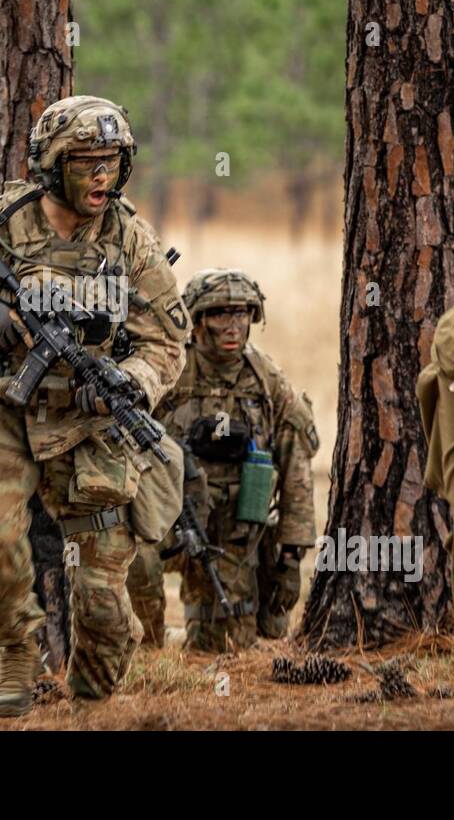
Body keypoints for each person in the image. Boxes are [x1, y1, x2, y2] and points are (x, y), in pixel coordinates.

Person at [0, 95, 188, 715]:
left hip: (89, 424)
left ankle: (89, 697)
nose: (101, 176)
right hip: (6, 406)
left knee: (103, 609)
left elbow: (168, 341)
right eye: (86, 162)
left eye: (111, 161)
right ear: (54, 166)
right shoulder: (3, 224)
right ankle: (15, 649)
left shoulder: (130, 240)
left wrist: (129, 381)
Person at [127, 268, 319, 652]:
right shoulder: (170, 370)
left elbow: (296, 463)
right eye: (219, 315)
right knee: (137, 559)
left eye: (241, 314)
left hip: (237, 528)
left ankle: (197, 639)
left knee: (229, 642)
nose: (233, 326)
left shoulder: (266, 380)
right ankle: (145, 646)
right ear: (196, 321)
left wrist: (293, 549)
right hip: (173, 515)